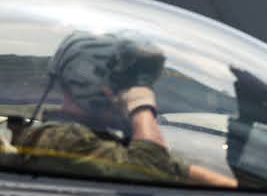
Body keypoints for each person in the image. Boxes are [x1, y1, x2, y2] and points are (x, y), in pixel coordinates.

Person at [4, 32, 235, 187]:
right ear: (91, 87)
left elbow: (173, 169)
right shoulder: (61, 140)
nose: (134, 92)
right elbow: (148, 173)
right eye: (127, 85)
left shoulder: (96, 140)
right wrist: (141, 106)